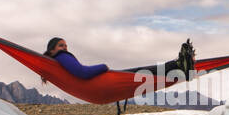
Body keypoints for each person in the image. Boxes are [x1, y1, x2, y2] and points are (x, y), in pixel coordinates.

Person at [44, 37, 196, 80]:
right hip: (100, 83)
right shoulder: (62, 57)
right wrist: (103, 66)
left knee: (143, 73)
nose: (64, 48)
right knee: (144, 72)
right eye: (60, 46)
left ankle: (179, 65)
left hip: (100, 84)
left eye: (65, 46)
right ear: (52, 51)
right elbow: (82, 72)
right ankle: (178, 65)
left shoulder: (58, 60)